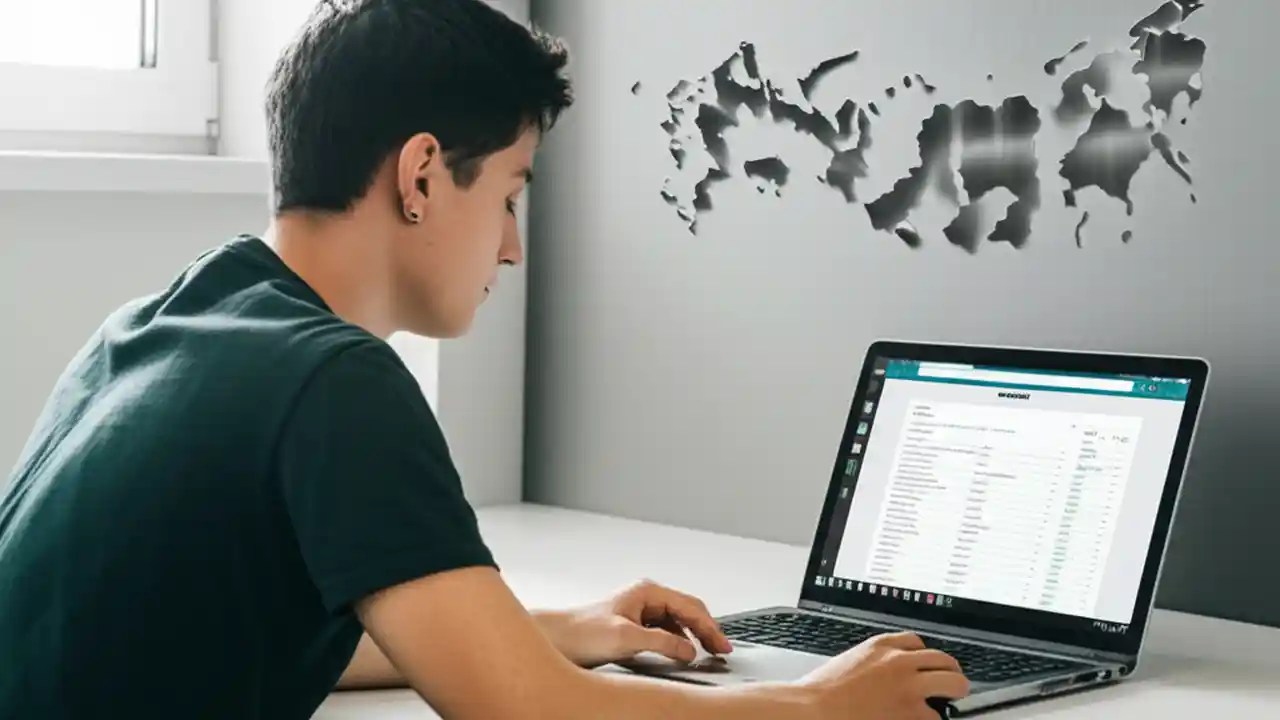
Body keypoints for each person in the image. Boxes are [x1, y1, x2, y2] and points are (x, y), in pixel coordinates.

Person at [0, 1, 968, 717]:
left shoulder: (160, 325)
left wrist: (557, 629)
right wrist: (816, 705)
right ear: (422, 175)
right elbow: (522, 712)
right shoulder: (333, 380)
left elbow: (218, 634)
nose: (511, 246)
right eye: (509, 192)